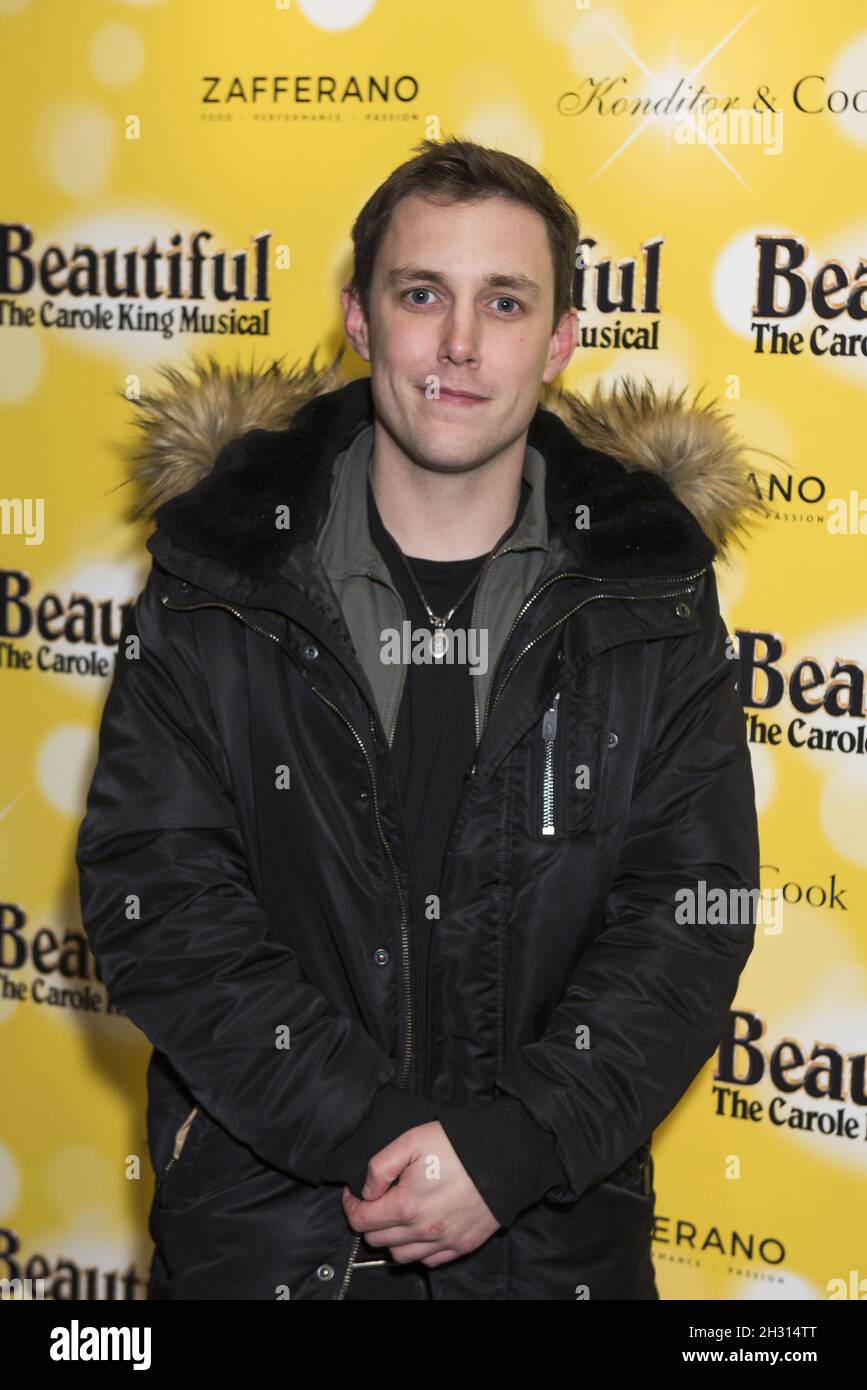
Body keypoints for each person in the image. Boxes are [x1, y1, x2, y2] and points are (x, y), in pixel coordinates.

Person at [76, 136, 763, 1301]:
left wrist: (509, 1152)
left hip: (547, 1246)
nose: (458, 344)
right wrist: (378, 1133)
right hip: (270, 1238)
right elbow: (160, 897)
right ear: (357, 317)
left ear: (560, 339)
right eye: (421, 294)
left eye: (504, 302)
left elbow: (686, 918)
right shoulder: (217, 576)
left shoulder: (652, 596)